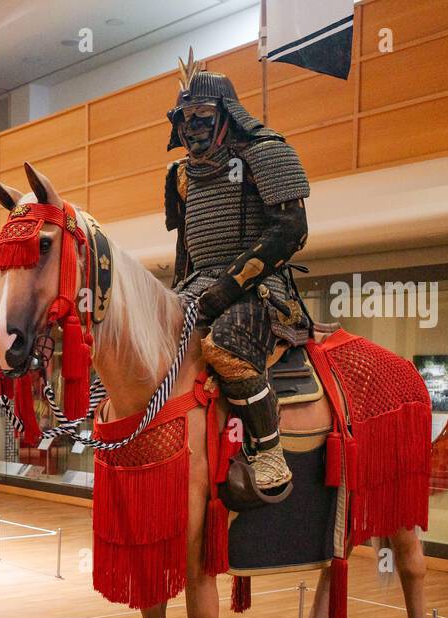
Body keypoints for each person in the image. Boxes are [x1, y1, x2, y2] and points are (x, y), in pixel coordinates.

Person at [165, 50, 311, 505]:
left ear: (227, 113)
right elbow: (186, 250)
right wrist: (173, 297)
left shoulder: (264, 152)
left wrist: (229, 286)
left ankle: (269, 449)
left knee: (223, 345)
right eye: (184, 118)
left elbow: (291, 230)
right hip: (197, 284)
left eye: (202, 116)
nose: (192, 127)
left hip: (258, 287)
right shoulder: (180, 175)